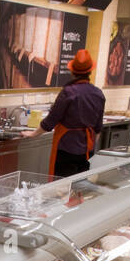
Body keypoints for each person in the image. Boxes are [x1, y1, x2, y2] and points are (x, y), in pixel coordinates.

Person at [30, 48, 105, 178]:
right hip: (86, 150)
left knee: (62, 187)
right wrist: (89, 146)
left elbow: (51, 120)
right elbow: (98, 128)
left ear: (72, 72)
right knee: (80, 185)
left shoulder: (69, 92)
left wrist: (33, 134)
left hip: (66, 147)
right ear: (90, 71)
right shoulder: (98, 94)